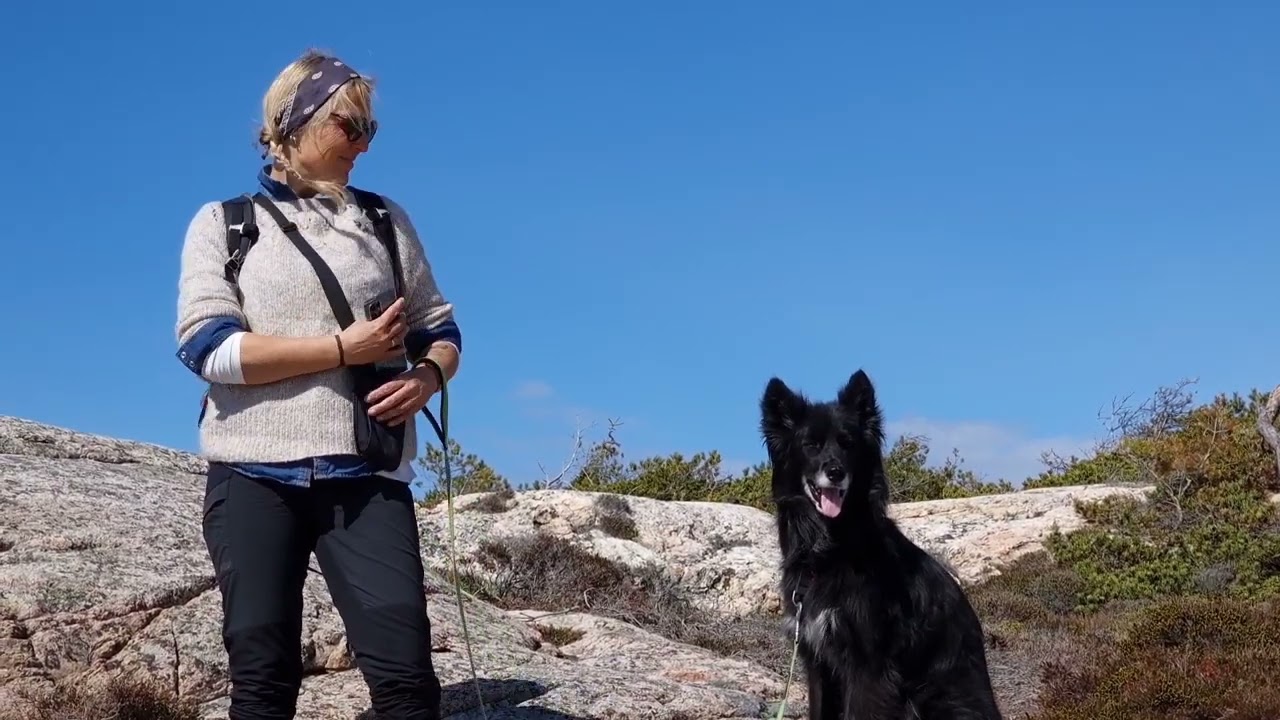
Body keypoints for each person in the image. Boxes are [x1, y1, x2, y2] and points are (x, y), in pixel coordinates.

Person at [174, 49, 460, 720]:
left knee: (407, 686)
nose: (361, 143)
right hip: (251, 477)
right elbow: (208, 348)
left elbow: (442, 329)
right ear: (291, 122)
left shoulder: (385, 222)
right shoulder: (224, 224)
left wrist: (425, 376)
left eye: (369, 129)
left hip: (365, 476)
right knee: (264, 682)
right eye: (347, 124)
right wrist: (340, 349)